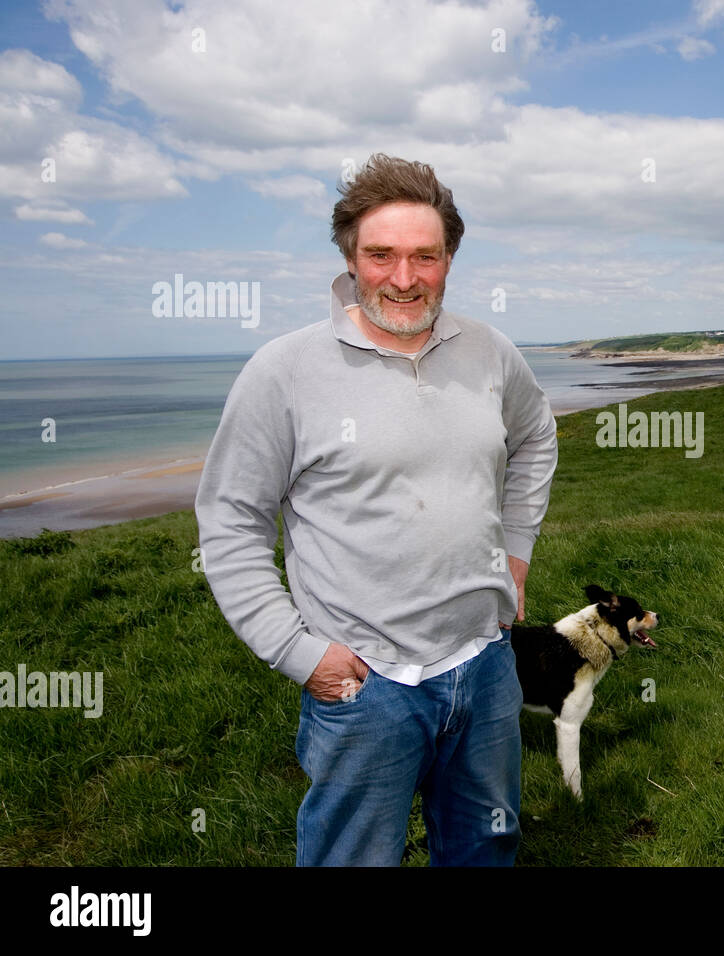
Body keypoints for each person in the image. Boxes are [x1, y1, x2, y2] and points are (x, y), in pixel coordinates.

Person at [195, 153, 558, 866]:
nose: (403, 277)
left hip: (486, 667)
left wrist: (515, 554)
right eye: (381, 255)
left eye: (425, 256)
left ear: (449, 258)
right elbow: (230, 523)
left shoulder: (490, 352)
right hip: (365, 686)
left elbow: (537, 437)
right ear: (349, 257)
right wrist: (299, 652)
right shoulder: (284, 371)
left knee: (487, 851)